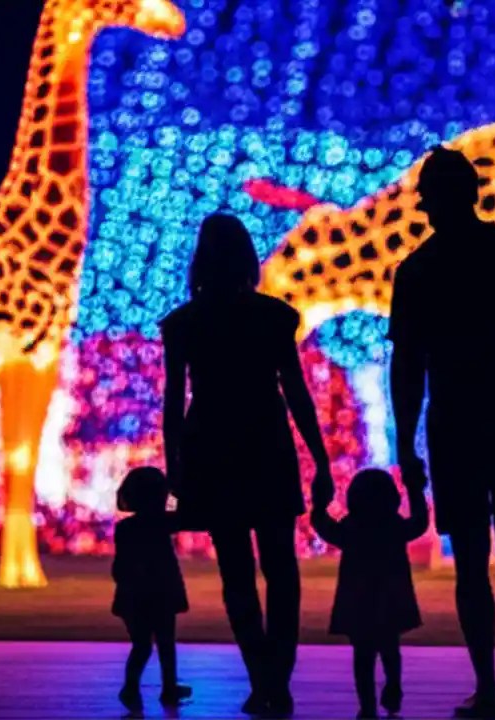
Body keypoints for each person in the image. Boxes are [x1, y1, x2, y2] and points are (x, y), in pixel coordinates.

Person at [390, 148, 495, 719]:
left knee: (471, 558)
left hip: (456, 421)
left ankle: (489, 683)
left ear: (430, 202)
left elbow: (408, 365)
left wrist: (405, 441)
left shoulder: (417, 271)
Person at [162, 213, 333, 717]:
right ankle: (277, 676)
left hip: (211, 447)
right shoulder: (273, 318)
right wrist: (319, 459)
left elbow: (174, 406)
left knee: (235, 570)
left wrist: (175, 469)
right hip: (265, 443)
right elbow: (296, 393)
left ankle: (263, 677)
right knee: (281, 566)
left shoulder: (184, 324)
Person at [311, 467, 429, 719]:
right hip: (391, 600)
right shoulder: (394, 526)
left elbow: (323, 526)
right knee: (390, 649)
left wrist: (319, 502)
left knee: (362, 657)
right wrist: (416, 490)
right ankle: (393, 687)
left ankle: (367, 706)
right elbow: (419, 523)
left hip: (358, 603)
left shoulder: (351, 529)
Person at [112, 466, 192, 716]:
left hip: (134, 596)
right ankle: (168, 687)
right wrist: (176, 487)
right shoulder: (160, 523)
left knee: (141, 645)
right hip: (161, 593)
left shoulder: (125, 528)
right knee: (166, 643)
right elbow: (177, 510)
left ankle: (131, 686)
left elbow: (120, 567)